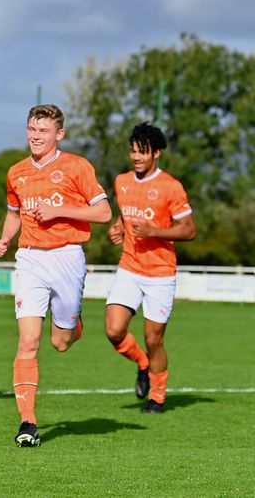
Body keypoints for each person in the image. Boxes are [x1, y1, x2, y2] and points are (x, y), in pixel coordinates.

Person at [0, 105, 111, 447]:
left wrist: (59, 210)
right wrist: (4, 238)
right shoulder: (16, 172)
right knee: (28, 342)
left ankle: (73, 324)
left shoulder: (77, 166)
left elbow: (103, 212)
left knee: (60, 343)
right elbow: (14, 213)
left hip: (67, 257)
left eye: (43, 131)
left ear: (59, 134)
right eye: (31, 129)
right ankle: (27, 422)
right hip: (29, 259)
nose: (35, 136)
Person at [104, 123, 194, 414]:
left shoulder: (171, 187)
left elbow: (188, 230)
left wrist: (154, 231)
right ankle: (142, 364)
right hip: (129, 267)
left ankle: (157, 397)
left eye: (142, 151)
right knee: (114, 329)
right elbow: (124, 216)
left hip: (160, 274)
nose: (136, 156)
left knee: (154, 339)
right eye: (132, 151)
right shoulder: (122, 182)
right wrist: (117, 228)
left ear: (156, 153)